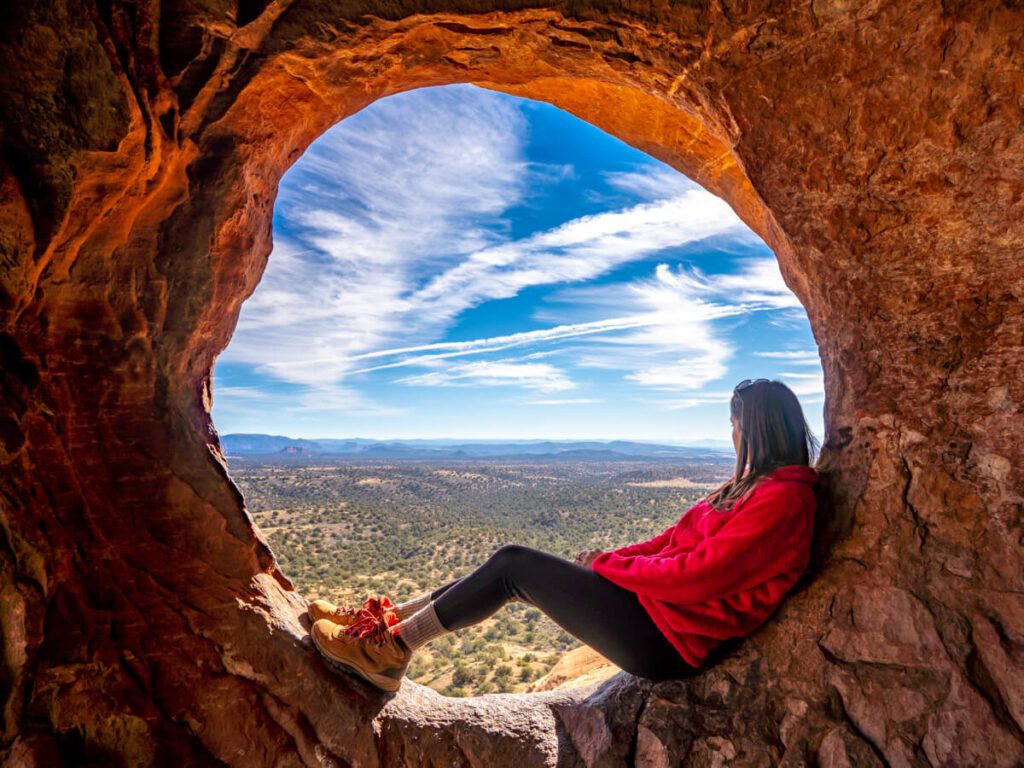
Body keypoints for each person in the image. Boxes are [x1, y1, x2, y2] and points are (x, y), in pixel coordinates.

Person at [308, 378, 822, 693]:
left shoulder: (785, 501)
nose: (730, 433)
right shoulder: (749, 487)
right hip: (655, 611)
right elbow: (672, 540)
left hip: (668, 641)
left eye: (734, 422)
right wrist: (610, 558)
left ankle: (390, 651)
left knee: (514, 566)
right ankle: (390, 623)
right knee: (505, 567)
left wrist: (609, 568)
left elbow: (701, 575)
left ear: (755, 428)